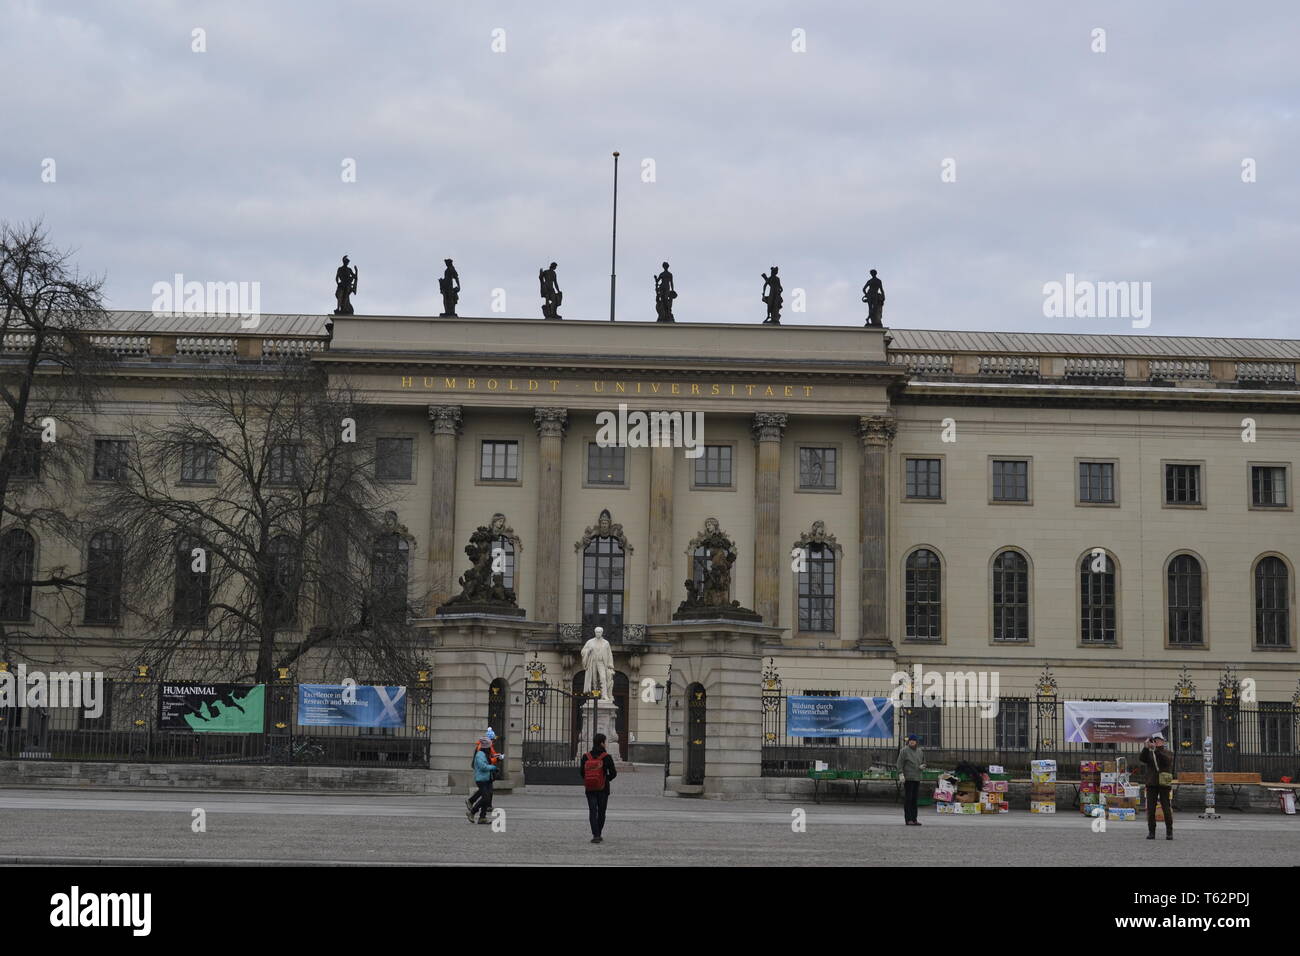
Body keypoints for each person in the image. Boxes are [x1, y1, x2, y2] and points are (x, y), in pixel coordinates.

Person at [579, 732, 618, 844]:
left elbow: (582, 772)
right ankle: (598, 833)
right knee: (601, 811)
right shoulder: (607, 757)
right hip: (603, 789)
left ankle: (595, 834)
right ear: (601, 743)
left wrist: (589, 780)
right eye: (605, 742)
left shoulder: (586, 756)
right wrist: (606, 779)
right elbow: (614, 773)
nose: (605, 744)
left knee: (592, 811)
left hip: (590, 788)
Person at [1139, 733, 1174, 840]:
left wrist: (1156, 750)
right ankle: (1151, 832)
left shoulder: (1167, 752)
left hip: (1163, 784)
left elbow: (1166, 761)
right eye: (1154, 740)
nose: (1156, 742)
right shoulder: (1150, 753)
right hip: (1152, 784)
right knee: (1150, 809)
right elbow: (1142, 759)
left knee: (1166, 808)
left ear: (1163, 742)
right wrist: (1146, 748)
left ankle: (1169, 832)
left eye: (1158, 740)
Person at [467, 729, 500, 825]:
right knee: (485, 798)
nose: (491, 748)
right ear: (486, 747)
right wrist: (493, 767)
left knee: (488, 797)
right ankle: (472, 812)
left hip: (487, 778)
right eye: (490, 746)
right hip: (481, 779)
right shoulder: (480, 755)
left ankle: (482, 817)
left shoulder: (485, 754)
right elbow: (483, 767)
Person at [896, 734, 926, 826]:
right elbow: (899, 763)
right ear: (908, 741)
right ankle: (908, 819)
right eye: (910, 740)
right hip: (908, 778)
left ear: (916, 742)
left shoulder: (920, 751)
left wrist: (923, 766)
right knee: (908, 799)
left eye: (913, 740)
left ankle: (914, 818)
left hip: (917, 777)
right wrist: (901, 774)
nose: (912, 742)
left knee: (914, 799)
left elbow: (924, 762)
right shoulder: (904, 751)